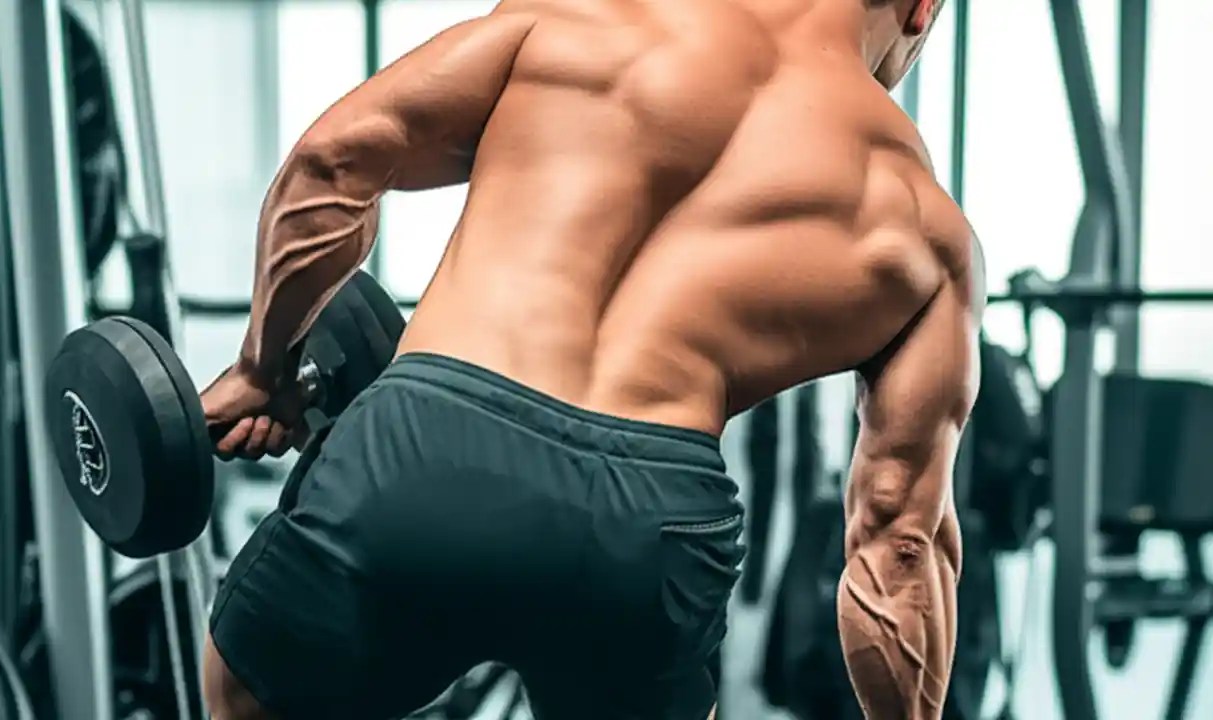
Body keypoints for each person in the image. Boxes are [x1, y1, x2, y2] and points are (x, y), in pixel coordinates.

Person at [198, 0, 980, 717]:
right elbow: (899, 547)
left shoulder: (595, 15)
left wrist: (265, 372)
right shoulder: (926, 228)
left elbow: (334, 162)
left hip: (427, 449)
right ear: (922, 10)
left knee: (246, 695)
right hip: (651, 529)